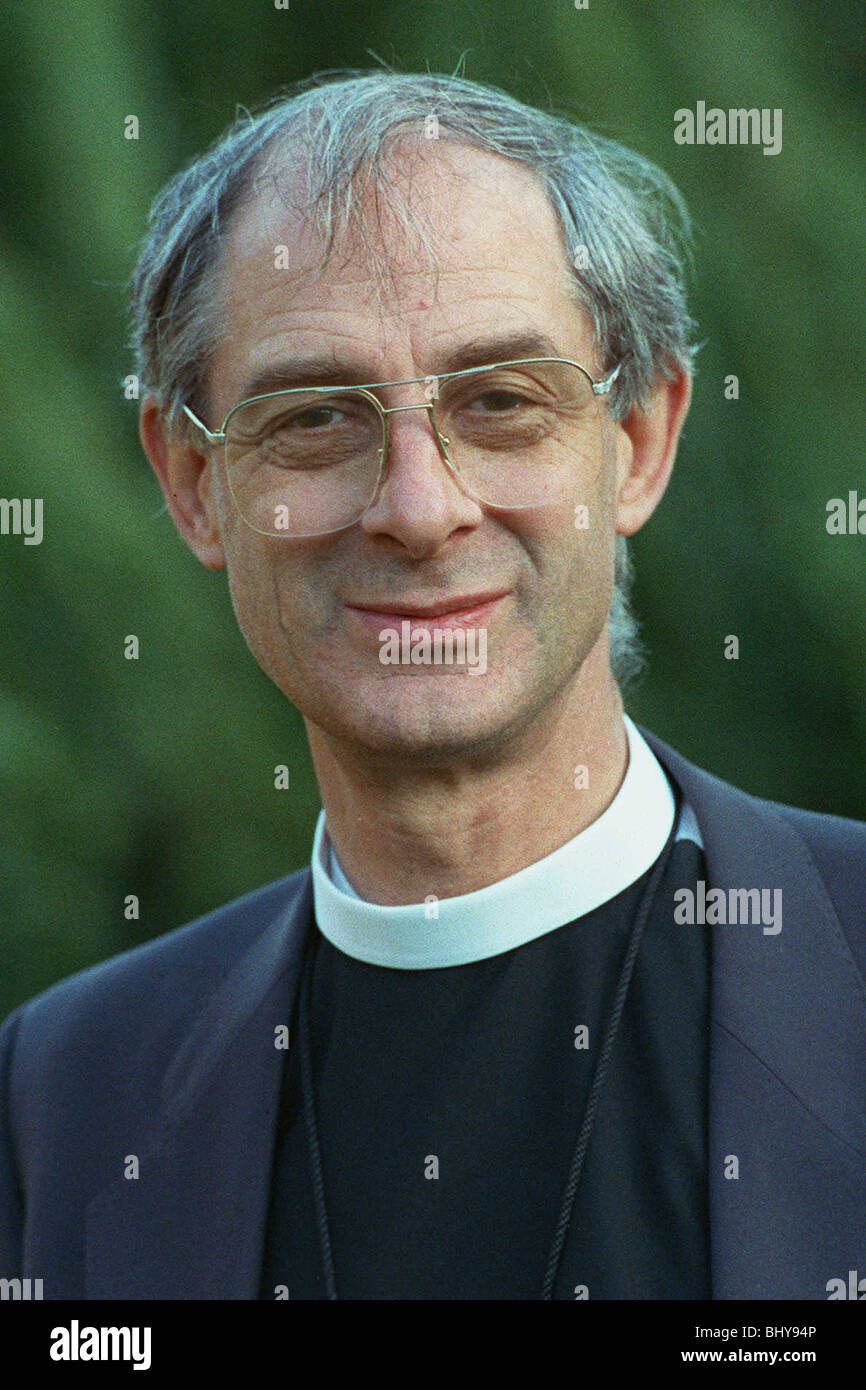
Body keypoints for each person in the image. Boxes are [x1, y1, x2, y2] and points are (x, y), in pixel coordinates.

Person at [1, 71, 864, 1302]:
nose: (419, 505)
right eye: (313, 417)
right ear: (194, 483)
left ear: (639, 441)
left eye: (501, 402)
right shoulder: (65, 1098)